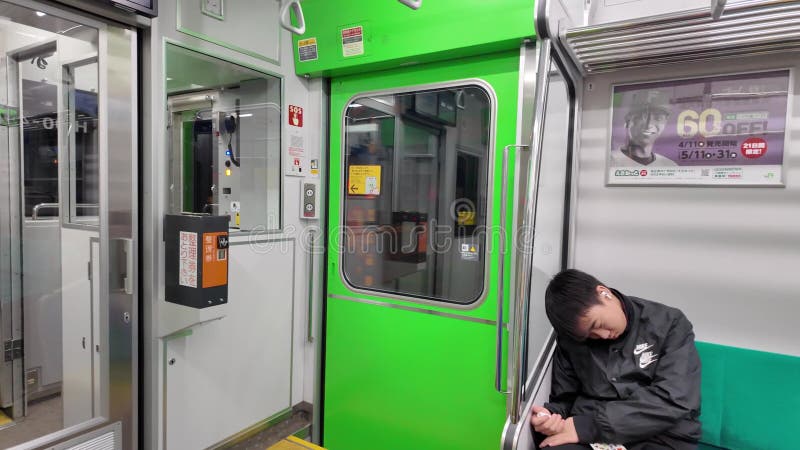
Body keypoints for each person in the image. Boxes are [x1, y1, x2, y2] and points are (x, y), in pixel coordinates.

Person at [530, 269, 701, 449]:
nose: (603, 335)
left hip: (660, 435)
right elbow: (565, 399)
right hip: (591, 434)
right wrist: (550, 417)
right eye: (590, 336)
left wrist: (589, 426)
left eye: (598, 325)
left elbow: (674, 399)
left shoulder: (669, 323)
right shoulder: (571, 341)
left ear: (604, 293)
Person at [610, 90, 677, 167]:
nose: (648, 124)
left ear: (665, 124)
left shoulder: (670, 166)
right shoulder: (609, 162)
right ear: (628, 121)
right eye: (640, 117)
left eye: (657, 118)